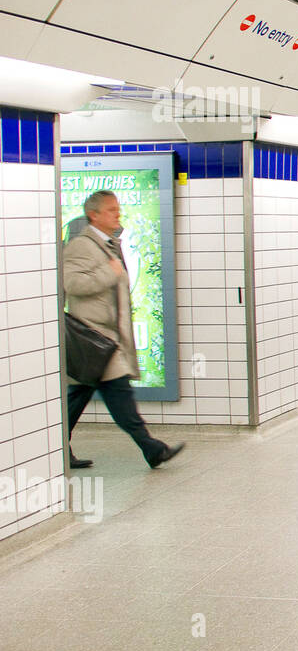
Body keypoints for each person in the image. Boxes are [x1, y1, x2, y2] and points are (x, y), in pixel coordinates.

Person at [64, 191, 184, 470]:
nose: (117, 214)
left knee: (79, 397)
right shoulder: (81, 246)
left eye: (117, 209)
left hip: (104, 340)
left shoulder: (108, 245)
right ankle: (152, 448)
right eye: (111, 210)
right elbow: (73, 285)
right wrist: (110, 272)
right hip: (94, 339)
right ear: (93, 215)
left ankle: (55, 447)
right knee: (120, 396)